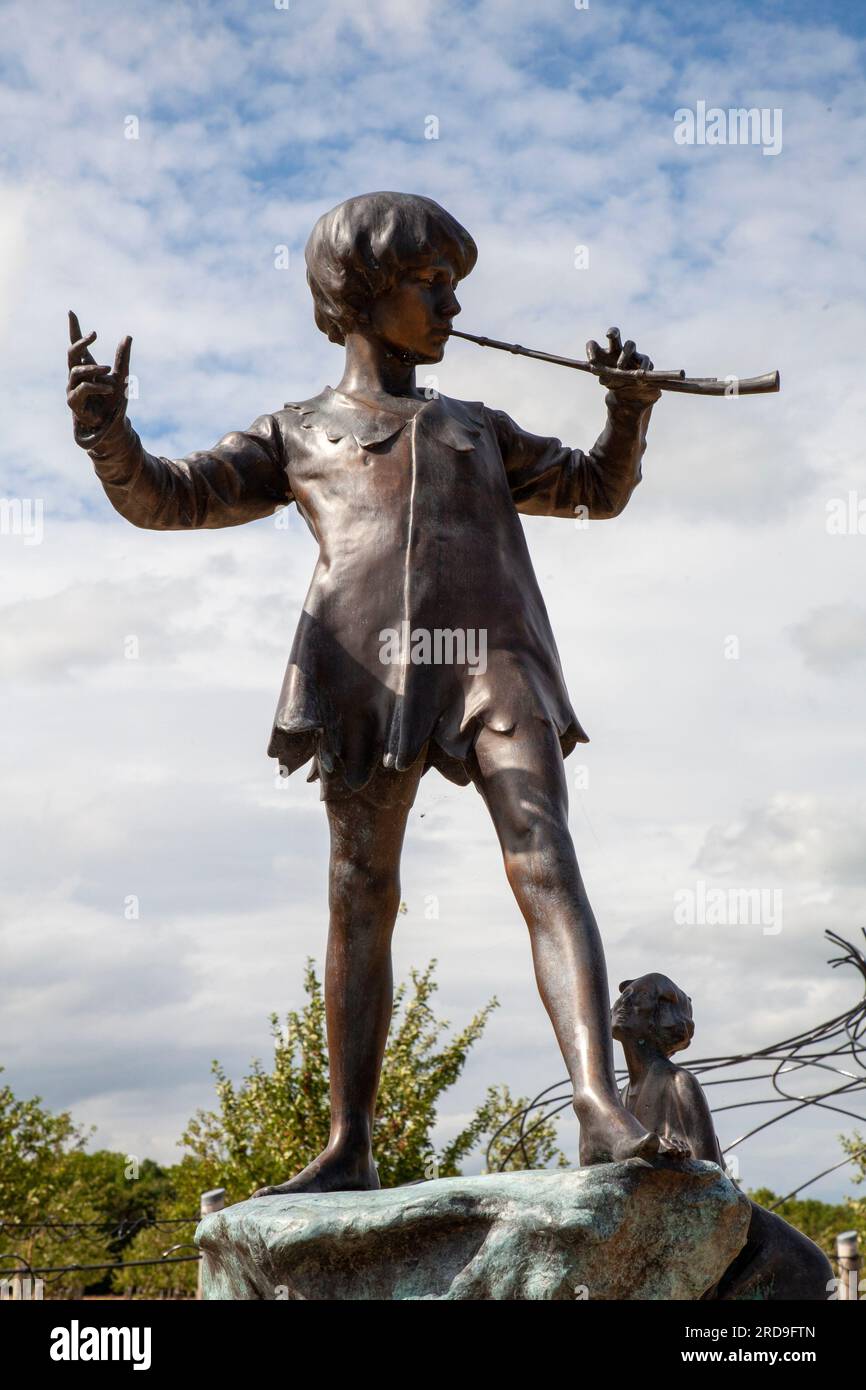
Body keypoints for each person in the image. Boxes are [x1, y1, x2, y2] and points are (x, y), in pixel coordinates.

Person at [67, 191, 673, 1193]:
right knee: (360, 896)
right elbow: (169, 498)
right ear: (357, 291)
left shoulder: (477, 428)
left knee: (543, 853)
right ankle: (349, 1144)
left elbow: (594, 491)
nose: (449, 307)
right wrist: (107, 438)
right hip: (358, 663)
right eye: (429, 284)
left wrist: (627, 411)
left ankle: (596, 1107)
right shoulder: (295, 430)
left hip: (492, 654)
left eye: (454, 286)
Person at [612, 973, 834, 1299]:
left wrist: (666, 1160)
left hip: (769, 1261)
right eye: (624, 996)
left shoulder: (679, 1084)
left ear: (661, 1018)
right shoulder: (617, 1098)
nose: (623, 1002)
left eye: (636, 997)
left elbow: (715, 1188)